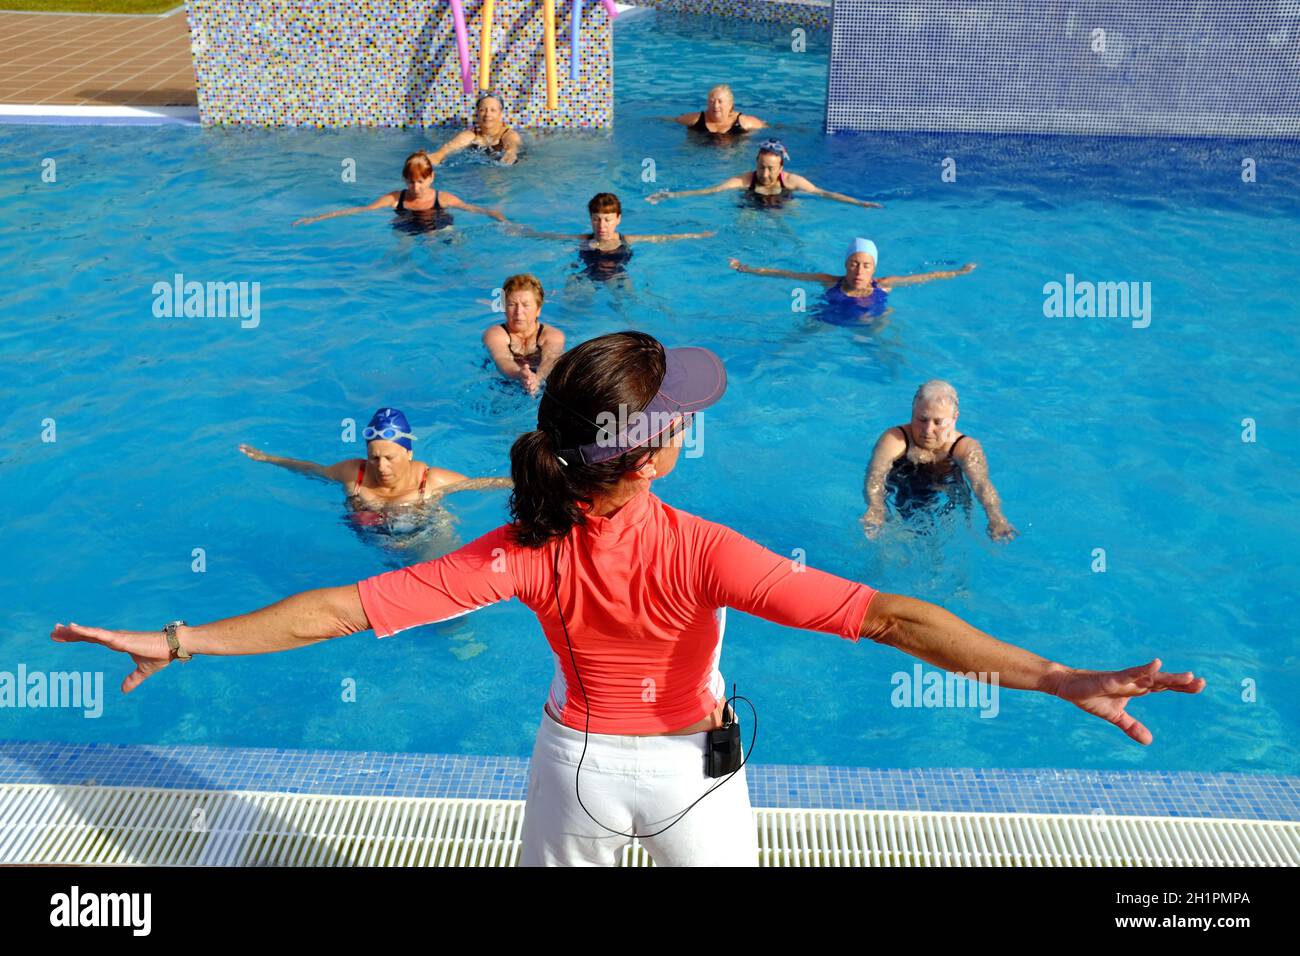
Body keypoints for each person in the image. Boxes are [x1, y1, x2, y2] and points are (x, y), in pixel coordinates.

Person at [54, 332, 1205, 868]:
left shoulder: (520, 547)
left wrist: (179, 635)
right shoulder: (708, 550)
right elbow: (898, 620)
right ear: (648, 452)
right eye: (675, 412)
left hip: (573, 771)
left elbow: (337, 610)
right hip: (695, 775)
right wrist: (1055, 674)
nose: (691, 418)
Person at [238, 407, 511, 533]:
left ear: (408, 453)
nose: (381, 467)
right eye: (374, 457)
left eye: (390, 458)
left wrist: (539, 480)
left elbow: (483, 484)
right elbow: (312, 470)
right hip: (375, 550)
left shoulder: (430, 480)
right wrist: (269, 459)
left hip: (425, 542)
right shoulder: (353, 473)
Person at [862, 381, 1016, 541]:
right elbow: (876, 474)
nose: (928, 430)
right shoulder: (895, 438)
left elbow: (982, 484)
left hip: (945, 490)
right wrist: (875, 509)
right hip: (901, 485)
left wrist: (996, 518)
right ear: (913, 412)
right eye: (922, 419)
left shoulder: (965, 447)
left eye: (938, 422)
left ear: (954, 418)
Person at [730, 237, 976, 322]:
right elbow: (787, 274)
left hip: (870, 322)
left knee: (887, 345)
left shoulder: (885, 284)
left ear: (873, 269)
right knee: (794, 341)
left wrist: (958, 272)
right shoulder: (829, 281)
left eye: (866, 266)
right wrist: (747, 268)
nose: (859, 271)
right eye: (854, 264)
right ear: (846, 265)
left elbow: (925, 277)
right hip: (827, 320)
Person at [515, 192, 714, 281]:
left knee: (629, 310)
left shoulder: (628, 240)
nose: (602, 225)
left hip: (618, 277)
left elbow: (663, 238)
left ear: (618, 219)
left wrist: (697, 235)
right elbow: (550, 236)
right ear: (591, 219)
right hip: (586, 277)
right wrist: (521, 232)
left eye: (608, 219)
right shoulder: (583, 239)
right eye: (597, 219)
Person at [291, 151, 507, 229]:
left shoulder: (443, 198)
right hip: (406, 224)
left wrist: (495, 215)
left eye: (421, 181)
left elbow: (470, 208)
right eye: (411, 182)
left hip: (438, 224)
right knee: (400, 254)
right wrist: (318, 217)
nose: (416, 187)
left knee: (447, 244)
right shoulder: (396, 198)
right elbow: (362, 210)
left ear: (431, 177)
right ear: (405, 180)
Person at [648, 140, 882, 210]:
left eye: (771, 168)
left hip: (781, 203)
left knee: (791, 222)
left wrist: (858, 203)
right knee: (744, 221)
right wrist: (669, 196)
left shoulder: (791, 181)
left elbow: (823, 193)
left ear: (781, 168)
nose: (765, 172)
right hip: (752, 204)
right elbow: (710, 191)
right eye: (761, 166)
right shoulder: (745, 180)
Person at [482, 274, 566, 396]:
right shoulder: (494, 334)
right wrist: (519, 374)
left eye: (526, 305)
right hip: (504, 383)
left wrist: (537, 379)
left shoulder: (553, 335)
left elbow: (550, 359)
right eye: (512, 304)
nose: (518, 312)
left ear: (538, 309)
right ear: (504, 307)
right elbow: (502, 359)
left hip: (541, 383)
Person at [427, 91, 523, 166]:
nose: (487, 114)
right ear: (477, 114)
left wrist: (511, 152)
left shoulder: (508, 134)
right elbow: (450, 147)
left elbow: (512, 145)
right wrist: (438, 155)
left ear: (500, 114)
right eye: (482, 110)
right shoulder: (472, 135)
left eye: (493, 110)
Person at [669, 84, 766, 137]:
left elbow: (769, 128)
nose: (715, 105)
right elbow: (670, 121)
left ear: (730, 104)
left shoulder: (744, 122)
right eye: (711, 101)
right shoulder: (695, 119)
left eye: (720, 102)